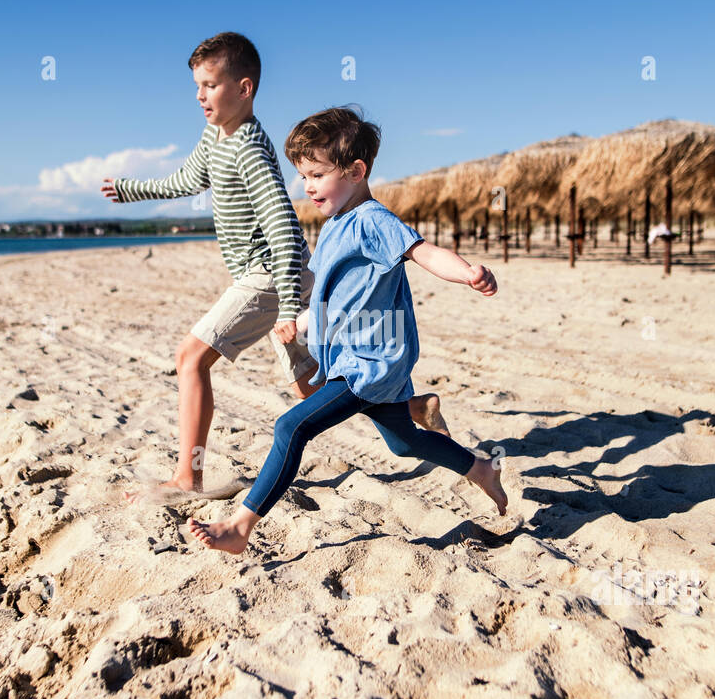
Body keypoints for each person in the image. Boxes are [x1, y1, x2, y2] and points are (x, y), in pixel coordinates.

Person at [102, 33, 448, 501]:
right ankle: (411, 408)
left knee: (191, 358)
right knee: (311, 387)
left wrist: (287, 307)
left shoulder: (249, 148)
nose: (200, 95)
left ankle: (187, 477)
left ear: (244, 88)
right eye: (197, 86)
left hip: (270, 275)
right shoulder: (215, 137)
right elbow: (188, 179)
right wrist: (131, 190)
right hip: (282, 278)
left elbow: (284, 226)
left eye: (210, 85)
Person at [187, 107, 507, 554]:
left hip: (369, 363)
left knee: (290, 428)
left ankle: (240, 526)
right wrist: (300, 323)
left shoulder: (374, 220)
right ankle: (480, 468)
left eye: (317, 175)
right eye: (303, 175)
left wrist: (469, 272)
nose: (307, 185)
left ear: (356, 171)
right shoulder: (335, 224)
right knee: (404, 443)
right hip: (348, 358)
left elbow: (424, 252)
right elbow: (331, 293)